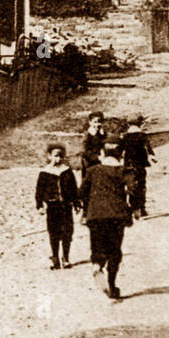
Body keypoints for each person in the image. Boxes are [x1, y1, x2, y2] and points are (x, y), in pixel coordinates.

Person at [80, 140, 136, 300]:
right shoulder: (125, 170)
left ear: (102, 155)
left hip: (96, 215)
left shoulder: (93, 170)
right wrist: (135, 208)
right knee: (115, 250)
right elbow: (133, 190)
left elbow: (82, 191)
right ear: (122, 155)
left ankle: (97, 265)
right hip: (117, 216)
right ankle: (111, 285)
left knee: (97, 245)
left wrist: (86, 208)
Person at [34, 143, 79, 269]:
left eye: (60, 156)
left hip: (66, 206)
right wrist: (39, 205)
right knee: (53, 232)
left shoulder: (67, 171)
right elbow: (39, 191)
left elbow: (74, 189)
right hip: (52, 206)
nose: (57, 159)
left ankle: (66, 257)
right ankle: (55, 257)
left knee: (67, 232)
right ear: (49, 156)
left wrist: (76, 203)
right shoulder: (44, 172)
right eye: (55, 156)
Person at [120, 113, 155, 217]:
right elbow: (148, 148)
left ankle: (134, 207)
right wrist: (152, 155)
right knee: (141, 185)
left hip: (129, 164)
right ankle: (142, 207)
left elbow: (120, 150)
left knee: (131, 186)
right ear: (140, 124)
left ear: (128, 124)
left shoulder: (125, 136)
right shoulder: (143, 135)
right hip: (141, 164)